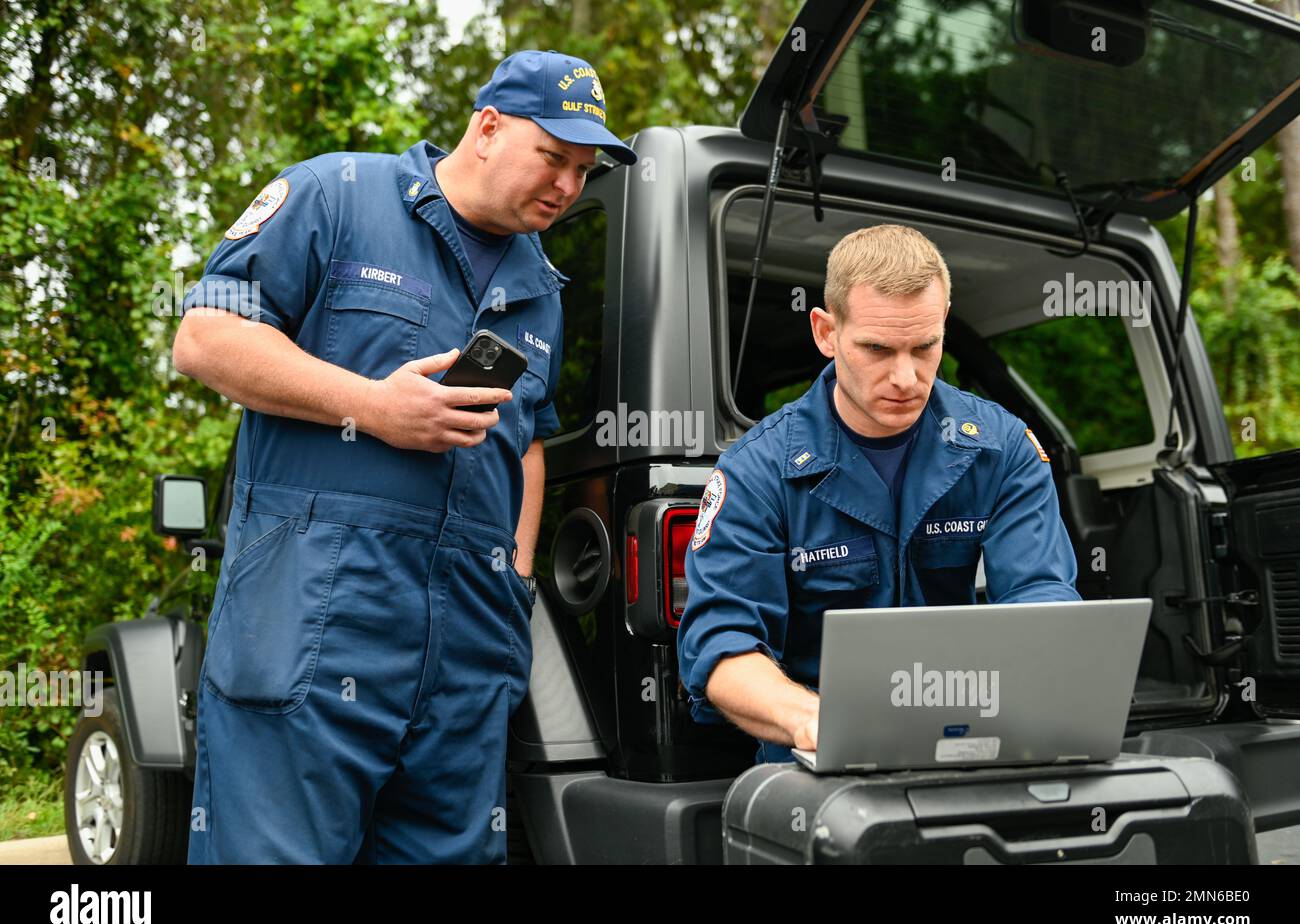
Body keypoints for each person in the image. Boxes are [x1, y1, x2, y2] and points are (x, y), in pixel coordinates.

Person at [172, 50, 636, 863]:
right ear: (487, 129)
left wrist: (513, 576)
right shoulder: (336, 196)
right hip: (311, 636)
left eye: (584, 169)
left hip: (467, 660)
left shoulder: (541, 287)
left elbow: (525, 439)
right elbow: (206, 339)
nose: (568, 186)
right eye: (553, 158)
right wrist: (375, 408)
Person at [677, 224, 1079, 764]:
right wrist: (814, 718)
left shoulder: (1000, 448)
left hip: (970, 738)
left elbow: (1042, 600)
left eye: (925, 346)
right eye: (877, 348)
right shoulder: (758, 470)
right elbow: (724, 646)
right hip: (817, 758)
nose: (907, 377)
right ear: (826, 332)